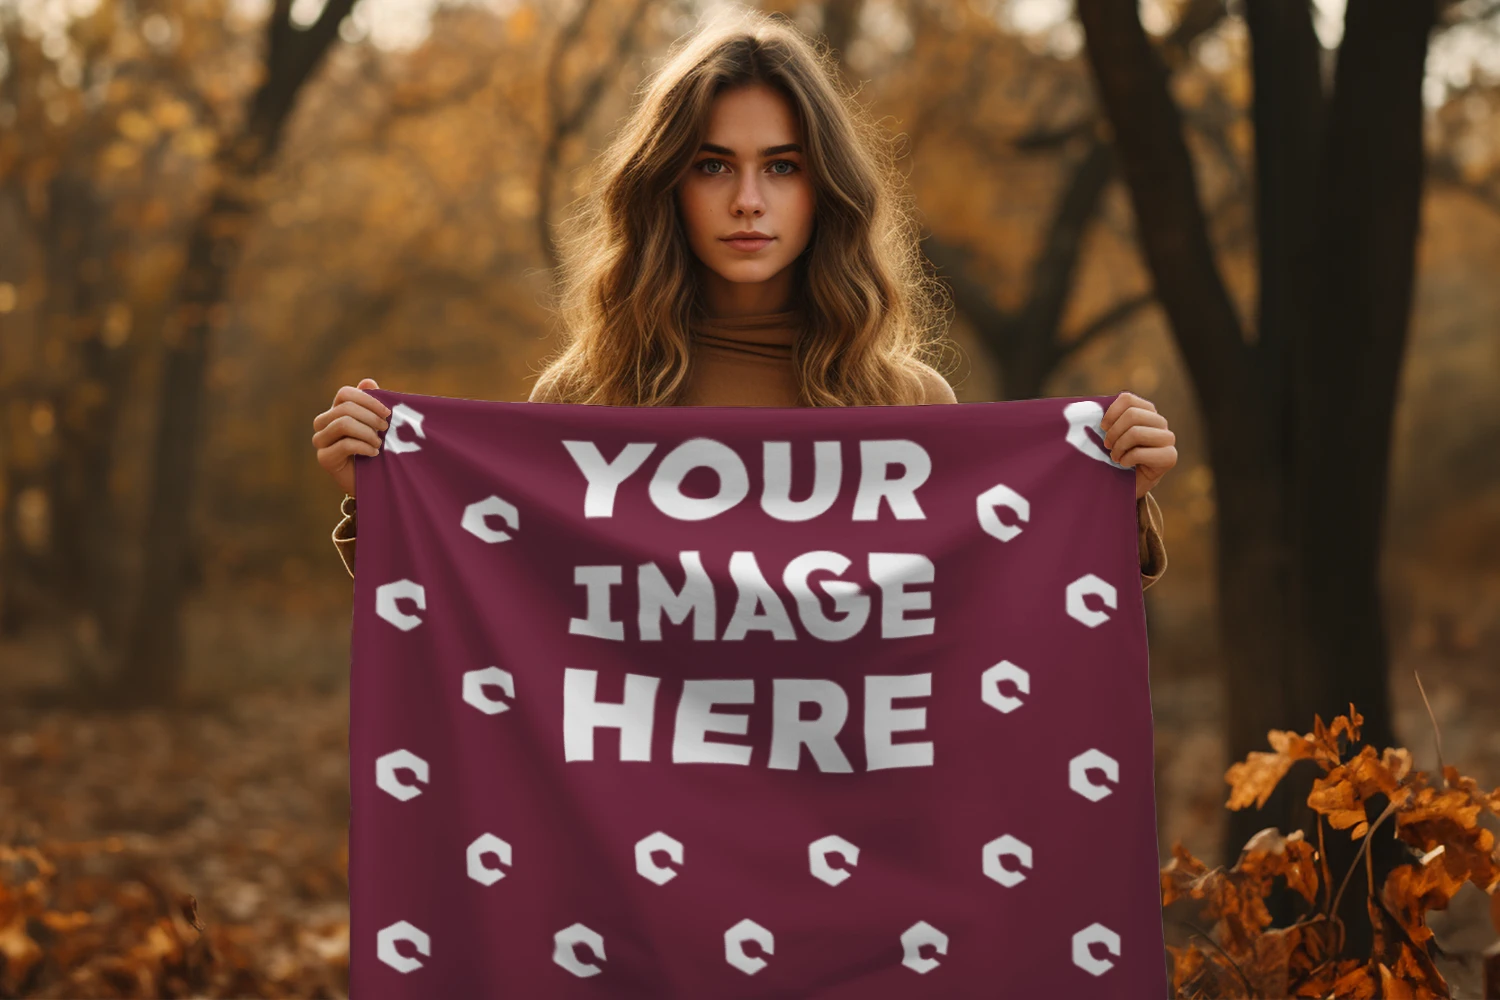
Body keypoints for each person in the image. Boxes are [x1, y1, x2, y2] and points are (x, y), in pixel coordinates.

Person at [310, 10, 1176, 588]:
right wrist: (382, 493)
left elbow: (980, 623)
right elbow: (507, 615)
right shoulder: (584, 400)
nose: (749, 201)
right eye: (713, 165)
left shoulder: (907, 405)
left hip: (849, 836)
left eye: (783, 167)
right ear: (666, 186)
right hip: (636, 841)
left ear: (824, 188)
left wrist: (1108, 497)